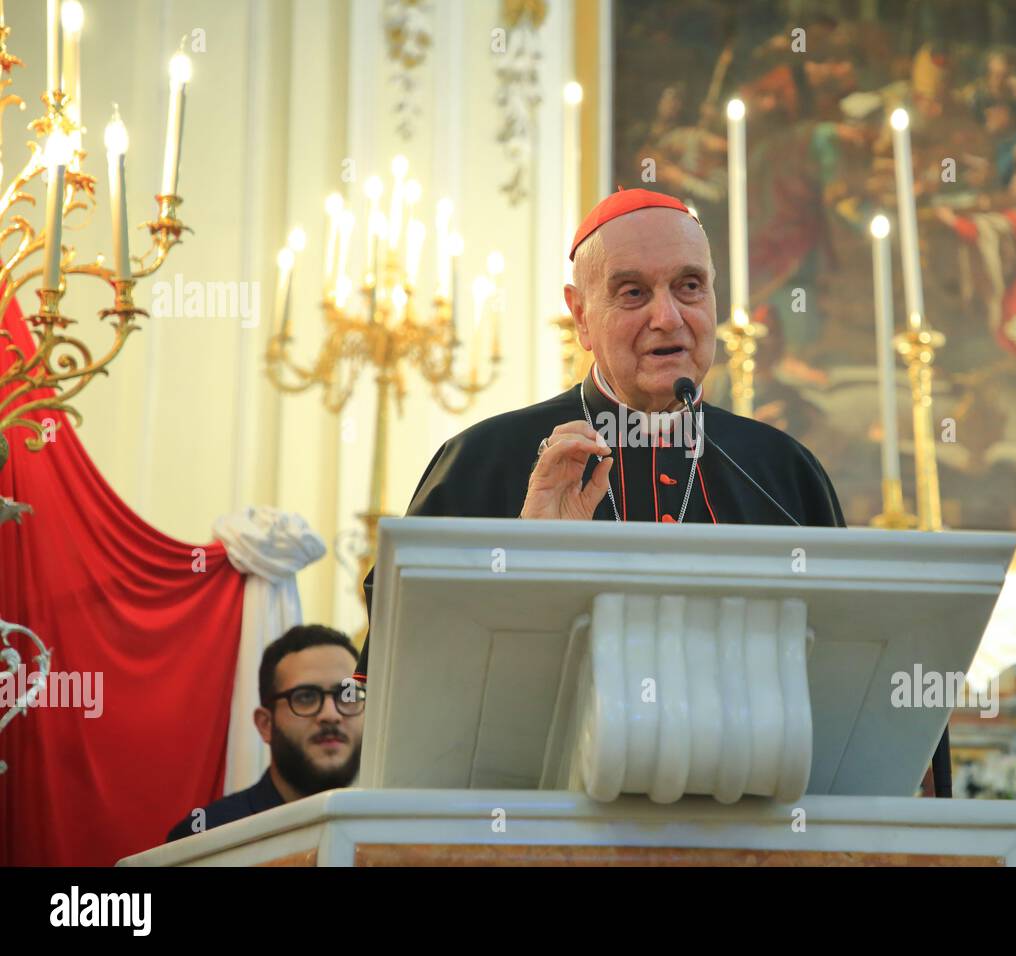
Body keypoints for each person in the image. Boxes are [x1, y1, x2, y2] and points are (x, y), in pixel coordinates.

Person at [353, 187, 845, 684]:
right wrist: (525, 558)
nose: (668, 317)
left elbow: (848, 664)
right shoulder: (483, 460)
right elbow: (404, 668)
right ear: (582, 316)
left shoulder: (781, 470)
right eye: (632, 292)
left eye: (689, 285)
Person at [165, 625, 365, 842]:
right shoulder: (203, 839)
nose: (331, 714)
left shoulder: (388, 830)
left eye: (347, 695)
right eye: (306, 697)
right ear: (265, 725)